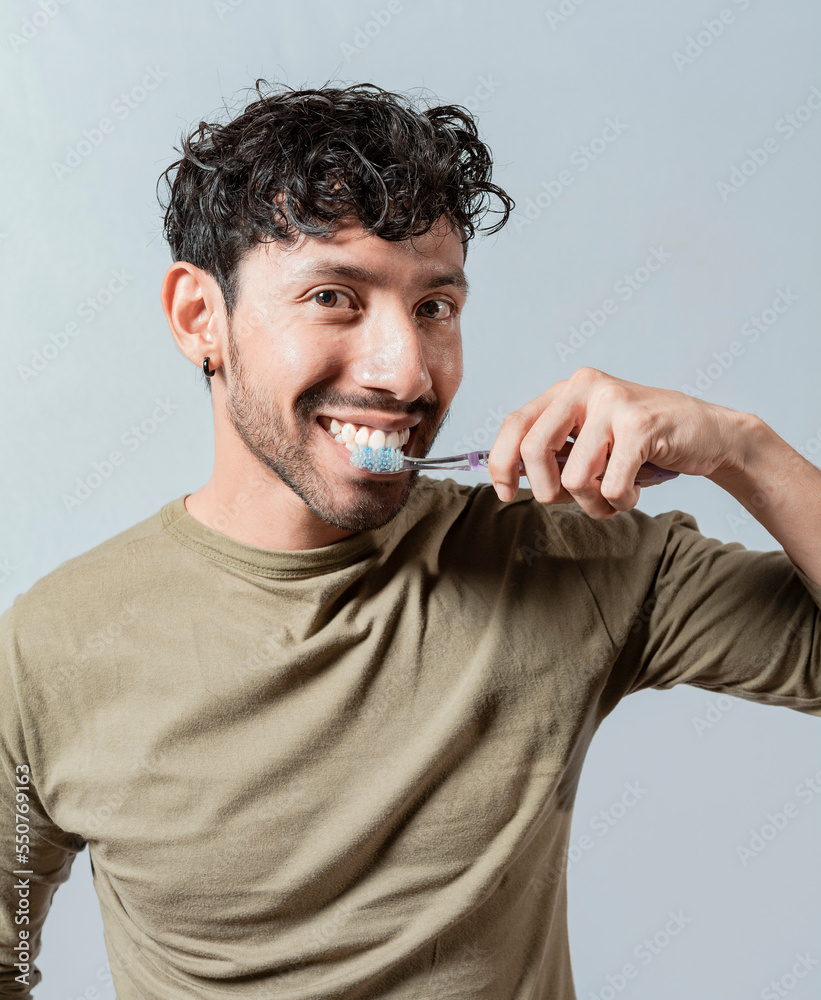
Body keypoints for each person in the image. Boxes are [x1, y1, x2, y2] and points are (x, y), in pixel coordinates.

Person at [1, 80, 819, 1000]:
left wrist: (745, 451)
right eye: (333, 297)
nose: (405, 373)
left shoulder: (570, 562)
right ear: (201, 319)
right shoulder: (50, 649)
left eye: (435, 307)